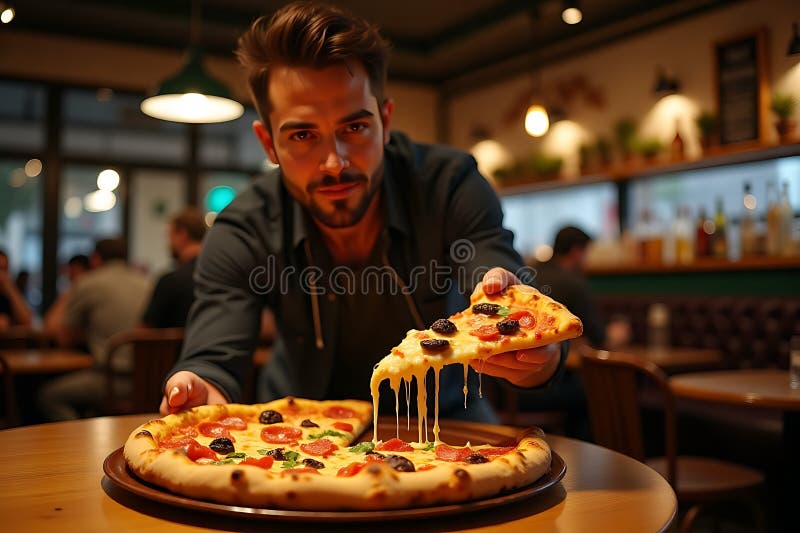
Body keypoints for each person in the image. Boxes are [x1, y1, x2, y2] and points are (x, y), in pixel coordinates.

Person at [160, 1, 567, 422]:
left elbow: (499, 284)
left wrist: (537, 350)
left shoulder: (448, 185)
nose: (334, 162)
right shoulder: (245, 224)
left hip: (446, 419)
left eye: (354, 128)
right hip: (299, 431)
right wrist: (201, 385)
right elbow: (214, 354)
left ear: (385, 121)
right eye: (302, 135)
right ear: (268, 145)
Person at [38, 238, 151, 421]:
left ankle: (76, 443)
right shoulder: (148, 283)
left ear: (96, 259)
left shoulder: (88, 283)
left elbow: (63, 338)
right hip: (148, 380)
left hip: (110, 380)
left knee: (49, 396)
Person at [532, 226, 630, 348]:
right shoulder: (574, 283)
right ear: (576, 251)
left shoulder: (532, 272)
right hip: (563, 360)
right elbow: (599, 338)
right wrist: (616, 335)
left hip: (528, 349)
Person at [141, 208, 206, 328]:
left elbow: (144, 332)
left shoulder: (171, 281)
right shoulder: (221, 275)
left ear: (182, 234)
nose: (168, 243)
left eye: (169, 236)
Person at [43, 254, 90, 340]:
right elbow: (49, 325)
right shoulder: (70, 293)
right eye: (70, 273)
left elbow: (52, 326)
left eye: (73, 272)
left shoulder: (87, 292)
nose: (69, 276)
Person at [0, 249, 33, 333]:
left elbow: (27, 321)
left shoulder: (9, 294)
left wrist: (10, 289)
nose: (2, 275)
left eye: (5, 269)